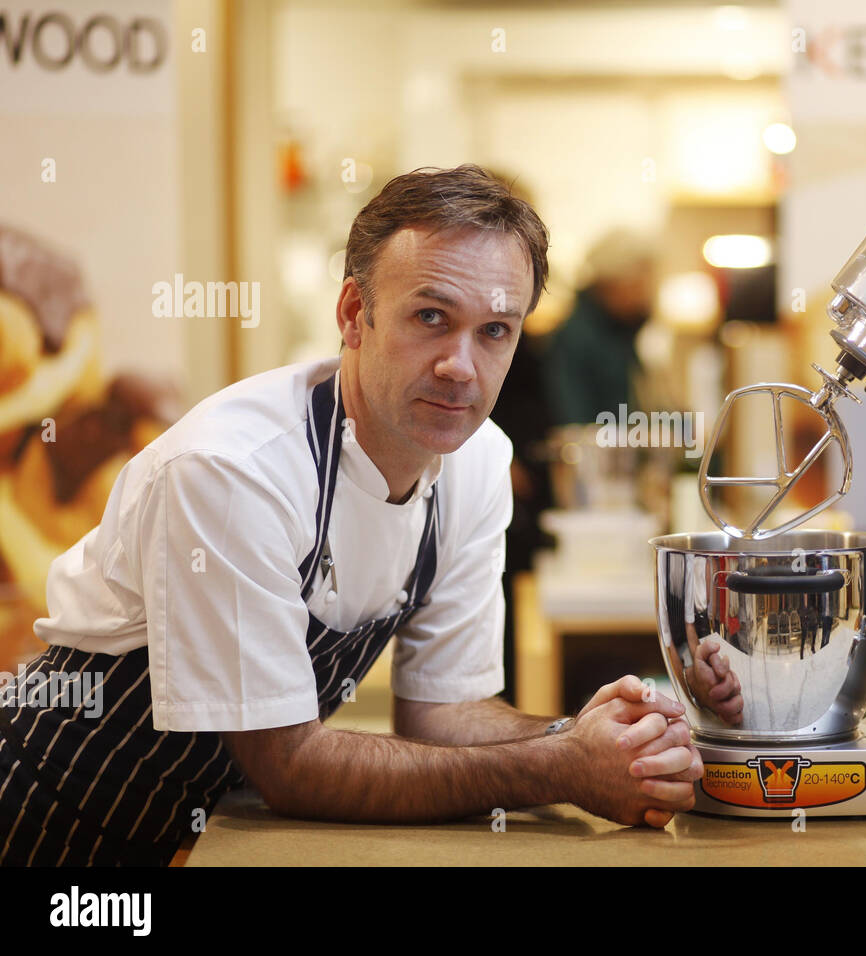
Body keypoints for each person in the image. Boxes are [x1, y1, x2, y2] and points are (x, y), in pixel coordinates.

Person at [0, 165, 700, 866]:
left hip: (210, 834)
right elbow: (290, 764)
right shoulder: (232, 471)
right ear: (352, 314)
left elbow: (445, 716)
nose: (461, 364)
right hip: (47, 817)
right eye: (431, 317)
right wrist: (561, 767)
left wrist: (606, 741)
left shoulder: (478, 462)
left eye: (495, 331)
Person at [541, 229, 657, 425]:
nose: (645, 292)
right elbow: (574, 421)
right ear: (611, 282)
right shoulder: (576, 336)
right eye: (638, 283)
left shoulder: (623, 329)